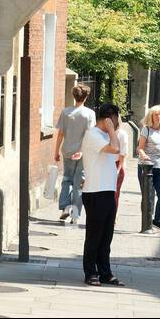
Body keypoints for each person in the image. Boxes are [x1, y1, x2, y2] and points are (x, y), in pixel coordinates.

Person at [78, 104, 124, 287]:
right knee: (94, 236)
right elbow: (115, 149)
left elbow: (118, 149)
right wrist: (112, 129)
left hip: (107, 190)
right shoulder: (93, 135)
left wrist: (112, 130)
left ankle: (105, 272)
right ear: (108, 118)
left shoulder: (105, 136)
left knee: (106, 236)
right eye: (116, 118)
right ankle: (90, 273)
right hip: (95, 192)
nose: (118, 122)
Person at [53, 83, 96, 224]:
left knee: (67, 179)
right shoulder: (89, 114)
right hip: (82, 152)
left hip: (67, 150)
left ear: (73, 96)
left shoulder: (66, 112)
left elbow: (60, 134)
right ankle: (76, 215)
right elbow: (90, 135)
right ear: (86, 97)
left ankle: (65, 207)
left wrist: (56, 151)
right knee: (79, 183)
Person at [136, 105, 160, 231]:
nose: (159, 117)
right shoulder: (146, 130)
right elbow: (139, 148)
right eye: (156, 114)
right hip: (146, 168)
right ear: (151, 116)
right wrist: (144, 155)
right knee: (148, 196)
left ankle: (156, 220)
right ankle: (146, 222)